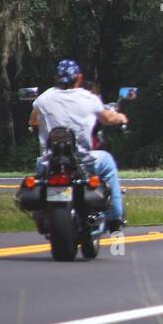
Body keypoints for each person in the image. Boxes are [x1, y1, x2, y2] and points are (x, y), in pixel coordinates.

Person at [30, 59, 127, 232]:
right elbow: (108, 119)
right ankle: (114, 217)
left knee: (38, 177)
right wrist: (121, 118)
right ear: (79, 78)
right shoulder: (88, 98)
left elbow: (33, 121)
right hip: (82, 161)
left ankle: (41, 214)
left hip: (48, 162)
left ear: (57, 78)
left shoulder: (42, 99)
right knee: (108, 163)